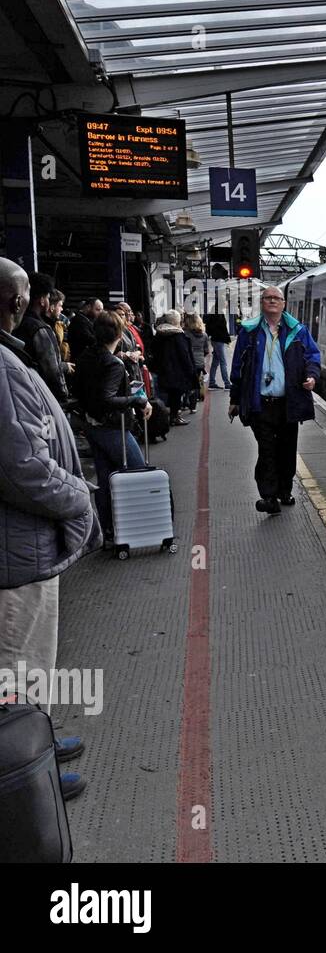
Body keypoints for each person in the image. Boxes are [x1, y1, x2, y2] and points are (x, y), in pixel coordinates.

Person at [0, 258, 99, 800]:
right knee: (16, 665)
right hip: (16, 550)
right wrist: (79, 499)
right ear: (18, 302)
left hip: (17, 545)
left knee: (22, 667)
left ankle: (35, 744)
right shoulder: (2, 364)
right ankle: (26, 780)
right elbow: (23, 467)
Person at [229, 286, 321, 514]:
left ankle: (284, 491)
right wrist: (235, 398)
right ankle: (269, 497)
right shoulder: (249, 332)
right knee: (267, 450)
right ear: (262, 303)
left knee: (287, 450)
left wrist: (312, 376)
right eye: (268, 298)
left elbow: (312, 356)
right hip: (260, 403)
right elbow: (238, 368)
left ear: (283, 304)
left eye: (276, 298)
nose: (272, 301)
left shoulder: (298, 331)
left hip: (288, 403)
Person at [74, 312, 153, 547]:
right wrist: (136, 401)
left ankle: (109, 531)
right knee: (139, 474)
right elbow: (108, 398)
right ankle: (144, 526)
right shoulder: (114, 364)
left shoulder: (86, 356)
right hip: (113, 427)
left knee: (106, 480)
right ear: (119, 334)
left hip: (92, 425)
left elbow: (80, 391)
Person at [15, 271, 68, 404]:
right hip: (43, 398)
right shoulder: (41, 329)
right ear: (42, 300)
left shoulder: (15, 323)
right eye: (48, 297)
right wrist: (63, 396)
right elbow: (52, 372)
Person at [150, 310, 196, 427]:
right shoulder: (179, 336)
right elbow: (185, 355)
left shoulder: (159, 334)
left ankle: (166, 416)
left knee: (165, 395)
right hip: (177, 371)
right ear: (177, 320)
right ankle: (174, 417)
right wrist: (191, 372)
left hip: (162, 370)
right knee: (176, 395)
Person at [182, 311, 210, 412]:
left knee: (187, 383)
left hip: (188, 362)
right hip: (199, 363)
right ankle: (193, 407)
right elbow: (206, 351)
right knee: (196, 384)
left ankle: (185, 403)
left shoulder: (185, 334)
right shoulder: (204, 335)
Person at [205, 309, 232, 389]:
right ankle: (227, 384)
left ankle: (212, 383)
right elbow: (223, 329)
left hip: (214, 340)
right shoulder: (219, 314)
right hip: (219, 341)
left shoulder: (212, 313)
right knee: (223, 362)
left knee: (215, 362)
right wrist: (227, 340)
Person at [67, 298, 99, 362]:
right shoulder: (79, 321)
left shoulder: (87, 320)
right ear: (88, 307)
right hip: (81, 362)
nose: (101, 313)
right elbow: (90, 340)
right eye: (98, 309)